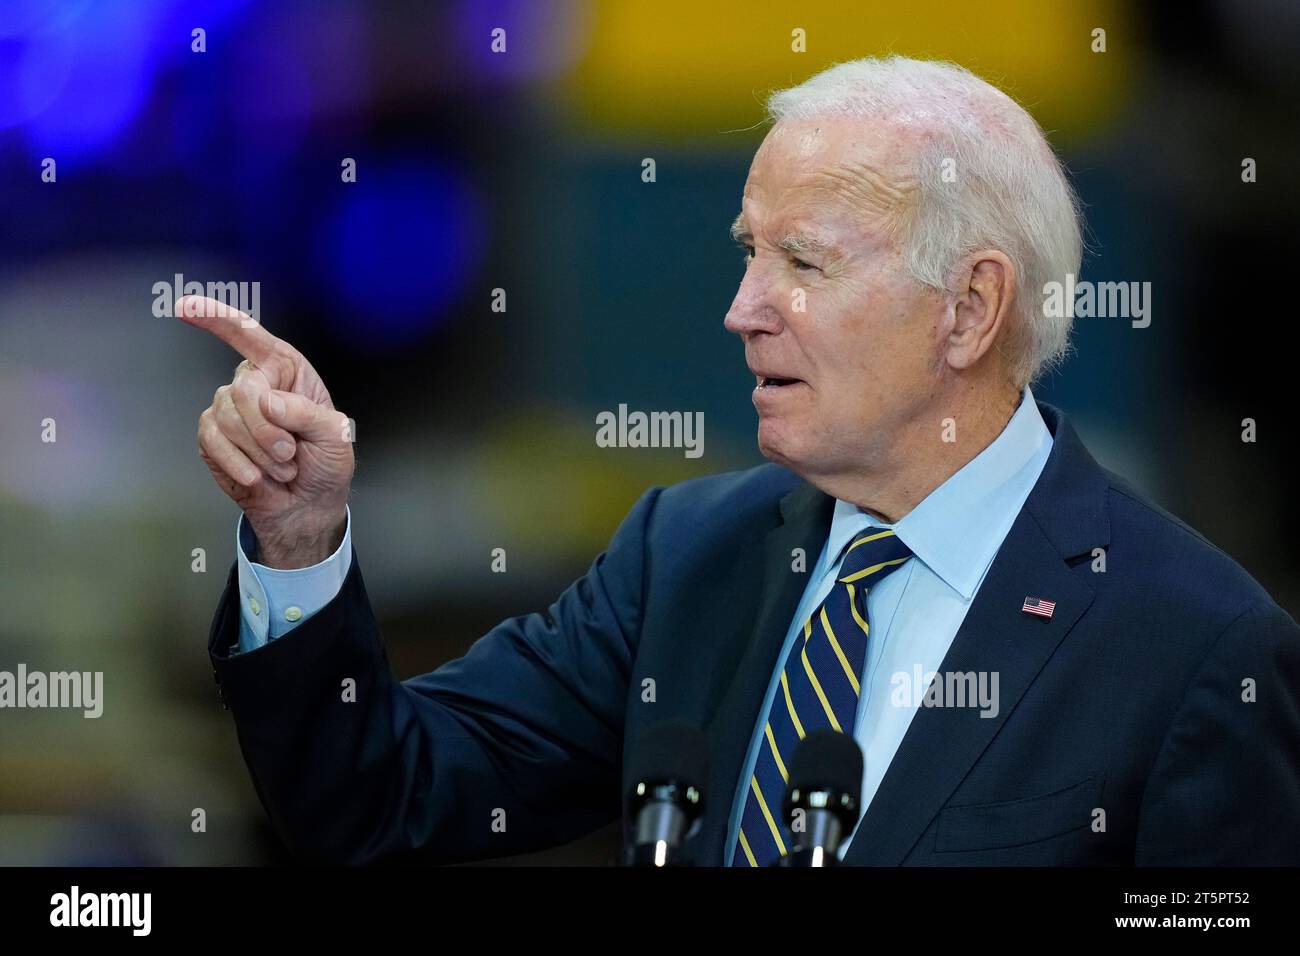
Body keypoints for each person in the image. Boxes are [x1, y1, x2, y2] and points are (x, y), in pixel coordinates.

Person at [183, 56, 1300, 865]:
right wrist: (297, 534)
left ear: (968, 308)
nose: (741, 311)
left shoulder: (1195, 647)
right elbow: (381, 802)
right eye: (747, 254)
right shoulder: (689, 555)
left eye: (802, 261)